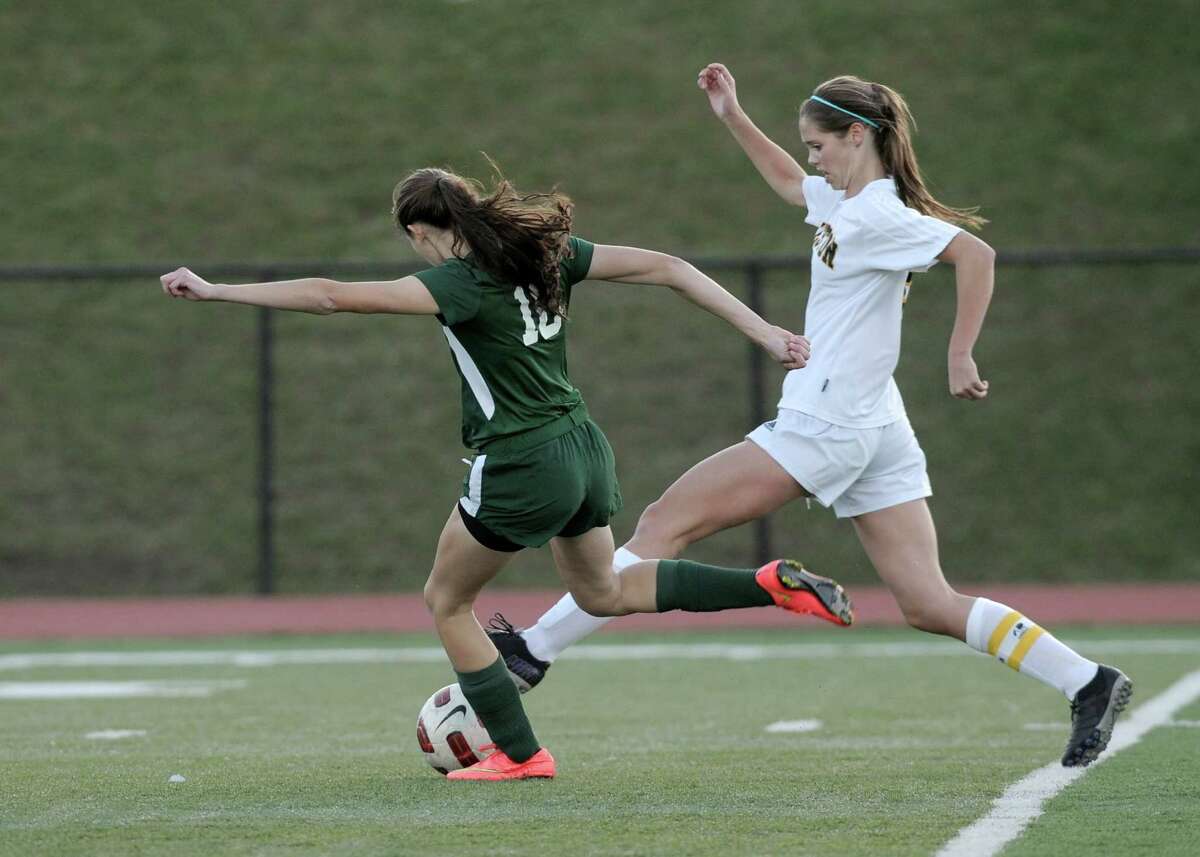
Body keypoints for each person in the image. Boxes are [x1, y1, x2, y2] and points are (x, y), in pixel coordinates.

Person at [485, 65, 1132, 769]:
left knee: (663, 523)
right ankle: (1087, 680)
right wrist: (733, 115)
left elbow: (975, 254)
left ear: (858, 136)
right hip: (874, 422)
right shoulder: (842, 200)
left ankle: (531, 651)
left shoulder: (880, 213)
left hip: (829, 423)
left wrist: (959, 353)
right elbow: (792, 182)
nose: (812, 157)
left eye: (820, 144)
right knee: (927, 600)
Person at [160, 166, 855, 782]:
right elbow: (669, 267)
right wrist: (766, 333)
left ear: (420, 230)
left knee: (446, 600)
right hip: (584, 445)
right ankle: (767, 583)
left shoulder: (455, 283)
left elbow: (330, 295)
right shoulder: (545, 256)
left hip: (523, 459)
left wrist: (218, 290)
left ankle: (521, 754)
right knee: (605, 591)